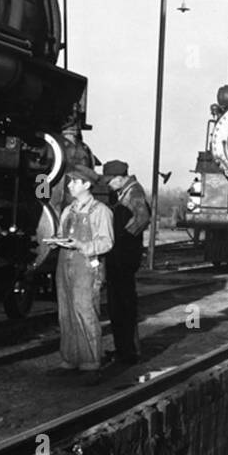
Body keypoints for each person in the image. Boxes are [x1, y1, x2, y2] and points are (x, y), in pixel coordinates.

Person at [52, 164, 114, 374]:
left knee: (85, 312)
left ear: (87, 184)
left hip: (87, 266)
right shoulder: (68, 210)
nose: (70, 185)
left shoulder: (101, 211)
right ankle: (69, 360)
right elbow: (61, 233)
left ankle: (91, 363)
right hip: (64, 263)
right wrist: (54, 241)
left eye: (75, 182)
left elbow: (107, 242)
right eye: (69, 181)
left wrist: (82, 246)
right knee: (66, 312)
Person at [100, 159, 150, 364]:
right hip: (123, 257)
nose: (109, 185)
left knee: (124, 305)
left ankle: (128, 352)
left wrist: (120, 238)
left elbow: (143, 217)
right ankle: (124, 349)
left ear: (120, 178)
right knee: (119, 305)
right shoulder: (126, 191)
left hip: (124, 258)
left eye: (110, 181)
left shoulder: (134, 192)